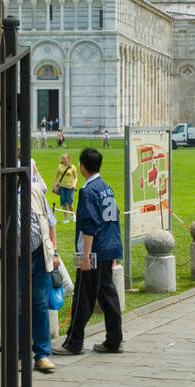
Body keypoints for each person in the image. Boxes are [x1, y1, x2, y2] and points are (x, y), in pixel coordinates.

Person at [60, 147, 123, 356]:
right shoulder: (106, 187)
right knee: (107, 296)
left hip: (93, 250)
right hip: (108, 247)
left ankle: (73, 342)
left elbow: (90, 224)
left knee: (83, 297)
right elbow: (113, 219)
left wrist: (85, 256)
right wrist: (114, 250)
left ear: (82, 166)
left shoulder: (88, 191)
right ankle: (114, 339)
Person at [27, 158, 60, 373]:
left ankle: (41, 354)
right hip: (17, 255)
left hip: (40, 253)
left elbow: (51, 221)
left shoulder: (36, 192)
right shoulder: (5, 192)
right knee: (19, 305)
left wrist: (53, 251)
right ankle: (20, 354)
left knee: (38, 303)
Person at [53, 152, 78, 222]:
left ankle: (73, 215)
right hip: (62, 187)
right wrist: (55, 184)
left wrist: (74, 184)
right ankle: (65, 218)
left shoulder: (73, 167)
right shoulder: (60, 166)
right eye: (62, 159)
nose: (63, 160)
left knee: (69, 203)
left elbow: (76, 177)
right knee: (63, 203)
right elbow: (56, 176)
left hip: (70, 187)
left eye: (64, 159)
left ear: (68, 159)